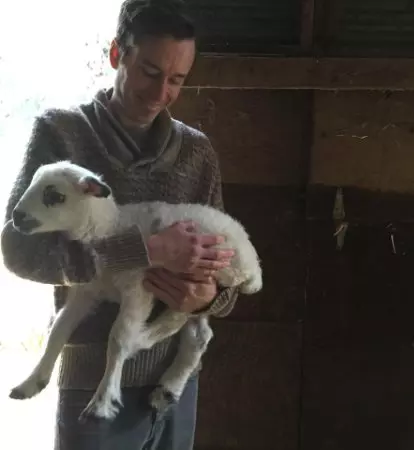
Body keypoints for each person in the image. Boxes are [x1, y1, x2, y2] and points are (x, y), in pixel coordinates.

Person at [0, 0, 238, 448]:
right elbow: (19, 251)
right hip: (92, 379)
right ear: (117, 55)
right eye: (150, 71)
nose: (160, 92)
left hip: (174, 381)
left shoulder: (197, 153)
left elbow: (221, 276)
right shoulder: (62, 134)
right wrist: (144, 251)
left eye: (177, 80)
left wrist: (208, 296)